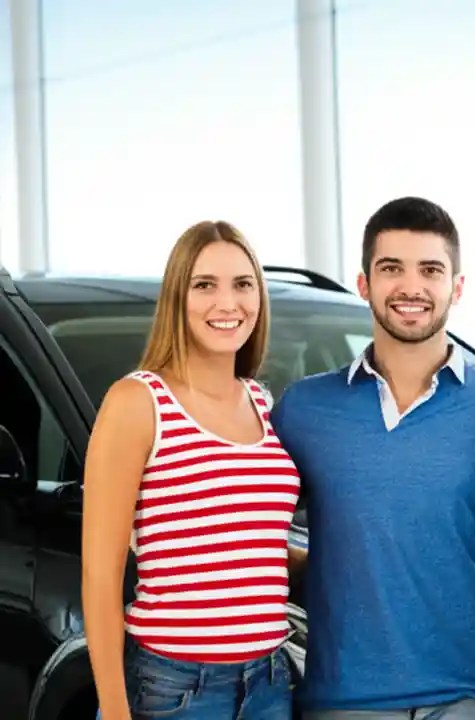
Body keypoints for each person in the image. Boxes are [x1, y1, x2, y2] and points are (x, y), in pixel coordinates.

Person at [270, 197, 475, 720]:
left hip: (469, 694)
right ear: (364, 284)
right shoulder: (303, 409)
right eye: (391, 269)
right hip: (343, 697)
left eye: (430, 270)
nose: (411, 287)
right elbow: (250, 527)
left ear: (456, 286)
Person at [82, 221, 299, 720]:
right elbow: (100, 572)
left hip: (269, 682)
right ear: (178, 297)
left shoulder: (263, 404)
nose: (228, 303)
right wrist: (114, 709)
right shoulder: (138, 402)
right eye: (205, 285)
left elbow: (247, 537)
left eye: (243, 284)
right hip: (172, 687)